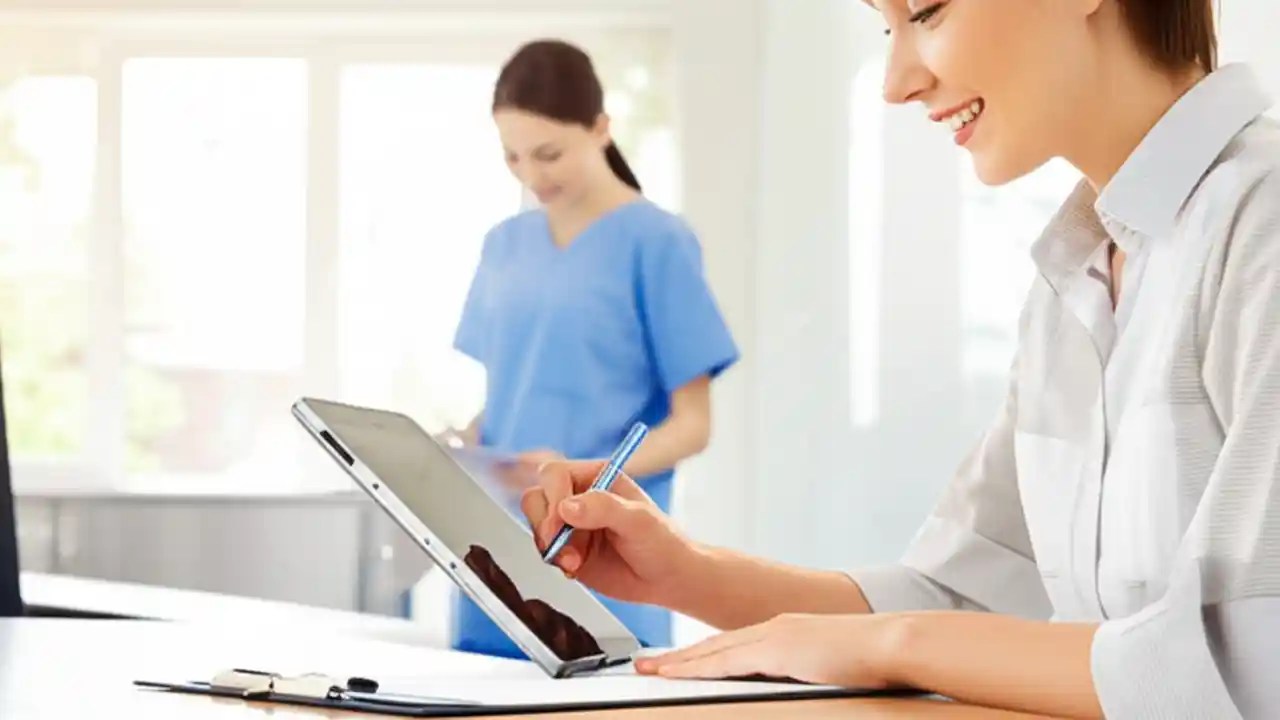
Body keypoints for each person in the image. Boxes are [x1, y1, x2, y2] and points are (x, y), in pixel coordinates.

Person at [521, 1, 1280, 717]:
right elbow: (964, 596)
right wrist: (689, 573)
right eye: (886, 29)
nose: (895, 83)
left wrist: (893, 645)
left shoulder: (1262, 228)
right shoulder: (1077, 275)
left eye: (925, 12)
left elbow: (1246, 669)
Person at [448, 39, 739, 659]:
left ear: (602, 129)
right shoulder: (503, 244)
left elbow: (693, 426)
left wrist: (586, 476)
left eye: (549, 154)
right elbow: (509, 396)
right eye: (514, 158)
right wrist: (462, 448)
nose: (532, 175)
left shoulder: (657, 243)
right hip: (498, 551)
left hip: (603, 559)